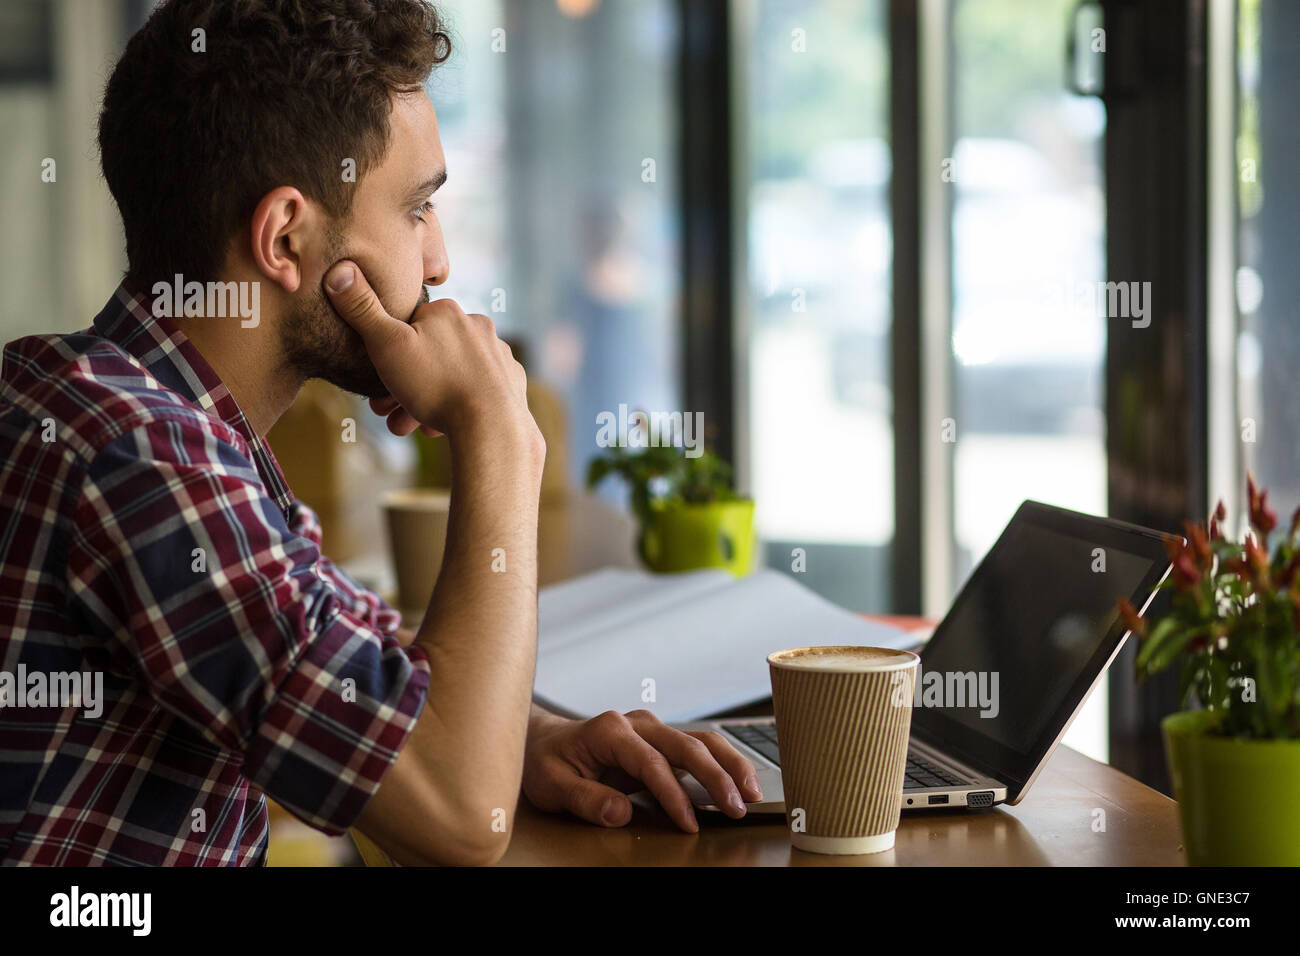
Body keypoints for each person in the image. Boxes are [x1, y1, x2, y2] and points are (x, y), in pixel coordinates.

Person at [0, 0, 759, 866]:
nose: (438, 262)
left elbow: (339, 648)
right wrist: (499, 438)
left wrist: (528, 735)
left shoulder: (113, 401)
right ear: (286, 237)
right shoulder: (142, 455)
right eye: (415, 211)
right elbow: (464, 824)